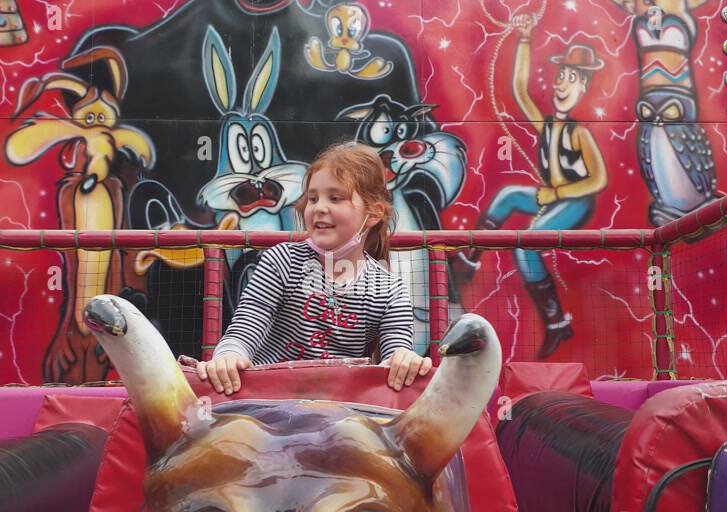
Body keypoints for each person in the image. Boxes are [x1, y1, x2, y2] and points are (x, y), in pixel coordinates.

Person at [197, 142, 431, 395]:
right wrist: (229, 355)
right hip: (268, 404)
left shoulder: (389, 290)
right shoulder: (281, 262)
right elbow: (246, 327)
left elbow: (396, 351)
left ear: (373, 214)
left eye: (336, 198)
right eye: (312, 198)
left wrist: (404, 359)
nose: (319, 207)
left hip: (336, 412)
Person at [458, 14, 607, 360]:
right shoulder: (548, 127)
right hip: (550, 198)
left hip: (575, 202)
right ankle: (469, 259)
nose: (562, 83)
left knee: (525, 247)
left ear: (583, 87)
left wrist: (555, 195)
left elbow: (597, 180)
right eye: (561, 76)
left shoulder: (578, 134)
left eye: (572, 78)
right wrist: (524, 40)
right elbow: (519, 91)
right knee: (508, 196)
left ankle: (556, 324)